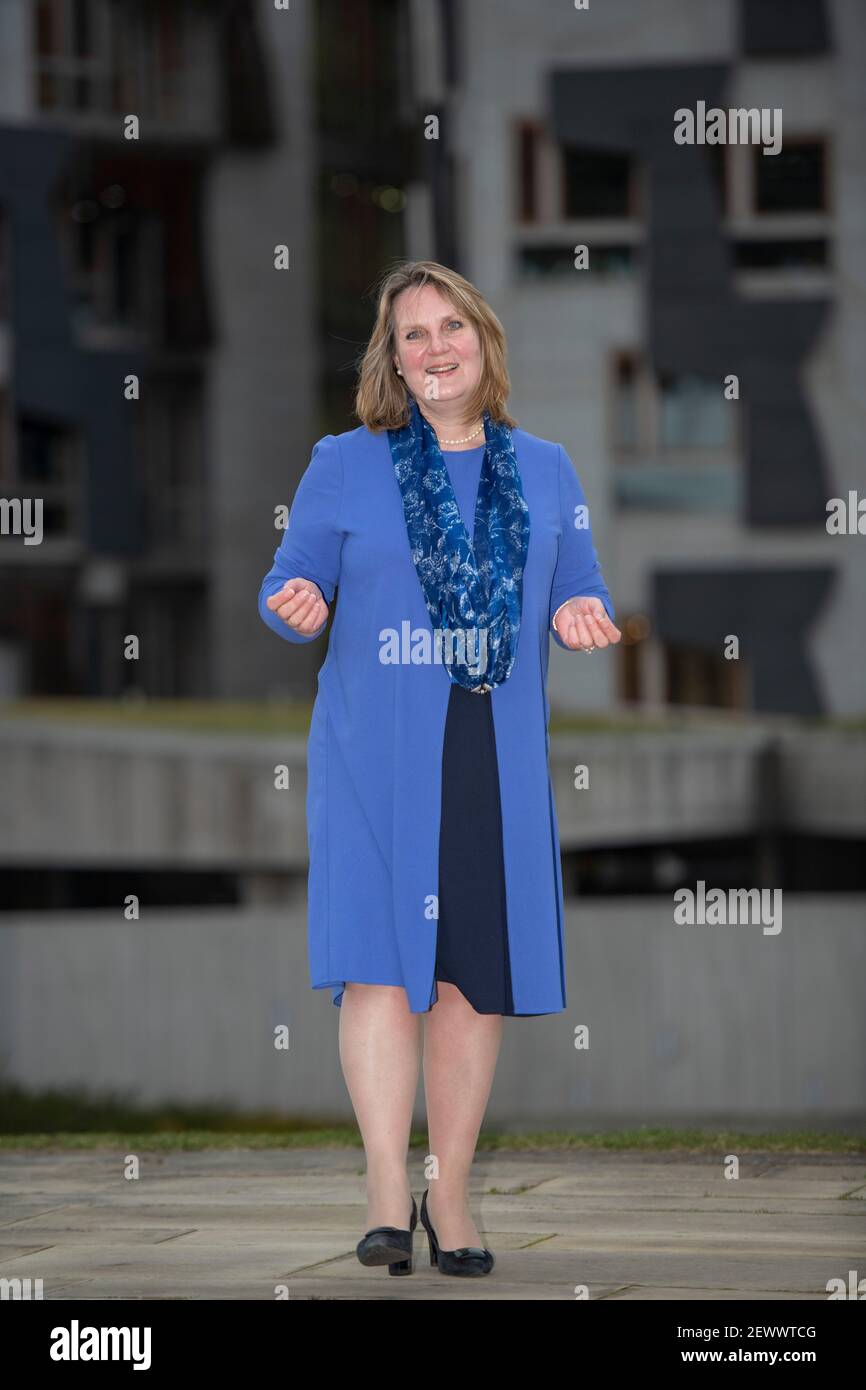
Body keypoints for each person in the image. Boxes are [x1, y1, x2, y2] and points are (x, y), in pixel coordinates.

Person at [257, 259, 620, 1278]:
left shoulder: (544, 467)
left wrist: (572, 613)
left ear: (482, 340)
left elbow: (576, 582)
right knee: (376, 963)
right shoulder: (344, 462)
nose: (433, 347)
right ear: (393, 358)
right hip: (374, 752)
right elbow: (289, 580)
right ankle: (384, 1190)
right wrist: (297, 604)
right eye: (411, 334)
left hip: (489, 755)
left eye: (448, 325)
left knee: (469, 978)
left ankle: (447, 1192)